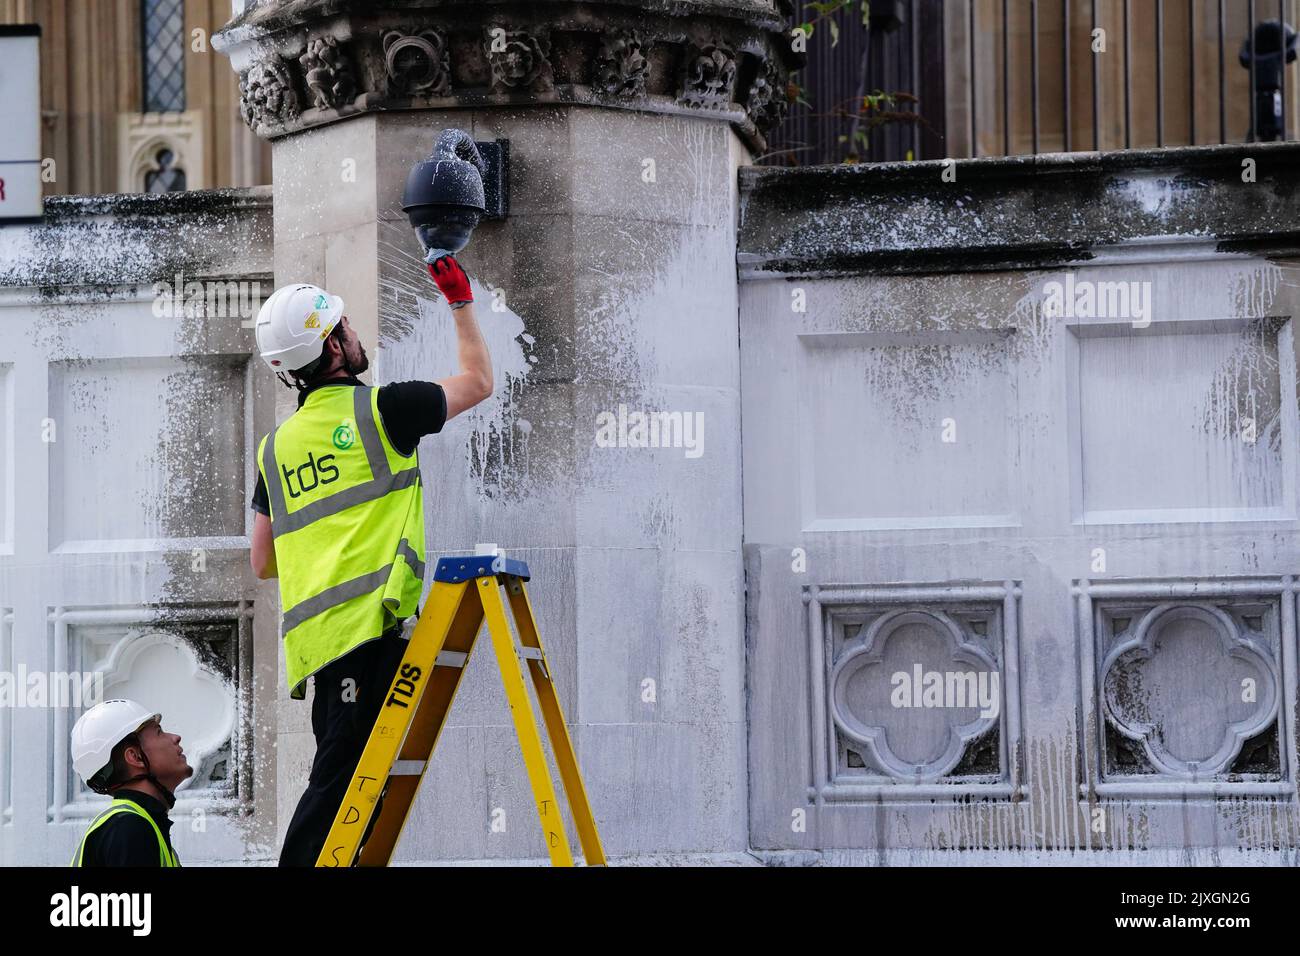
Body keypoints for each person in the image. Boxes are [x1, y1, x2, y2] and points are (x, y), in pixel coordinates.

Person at [251, 254, 493, 866]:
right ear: (332, 346)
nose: (358, 336)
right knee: (337, 794)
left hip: (321, 648)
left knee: (358, 794)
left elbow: (262, 561)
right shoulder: (384, 410)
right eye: (347, 327)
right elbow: (479, 382)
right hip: (368, 634)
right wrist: (461, 305)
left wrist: (326, 552)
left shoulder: (275, 448)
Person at [69, 698, 192, 867]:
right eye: (159, 732)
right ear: (135, 757)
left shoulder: (137, 825)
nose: (175, 737)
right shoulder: (130, 828)